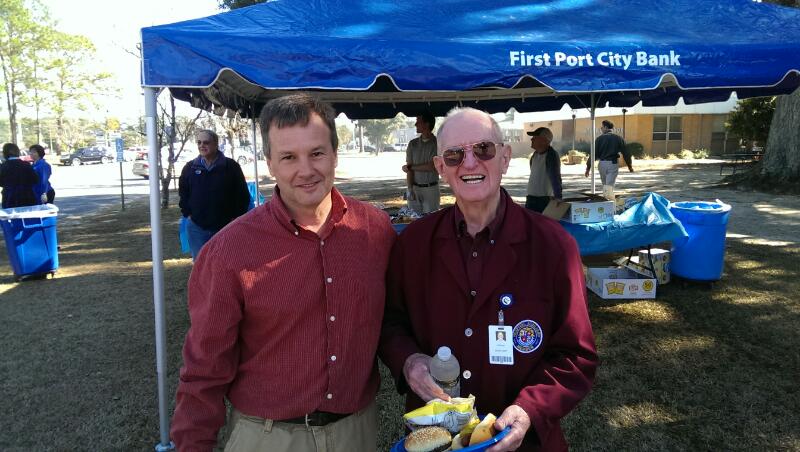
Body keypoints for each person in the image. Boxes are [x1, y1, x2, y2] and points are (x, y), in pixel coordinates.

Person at [170, 93, 396, 452]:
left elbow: (390, 321)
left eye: (317, 153)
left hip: (357, 431)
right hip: (268, 436)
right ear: (270, 163)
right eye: (289, 157)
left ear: (335, 154)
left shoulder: (376, 230)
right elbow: (204, 367)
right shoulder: (228, 251)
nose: (305, 170)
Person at [380, 108, 598, 452]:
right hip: (439, 440)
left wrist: (530, 409)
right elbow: (391, 322)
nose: (469, 164)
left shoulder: (553, 246)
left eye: (483, 149)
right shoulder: (414, 244)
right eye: (454, 155)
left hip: (525, 443)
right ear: (440, 168)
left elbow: (575, 354)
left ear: (505, 157)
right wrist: (408, 360)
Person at [178, 129, 250, 259]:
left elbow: (242, 194)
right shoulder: (190, 168)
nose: (202, 146)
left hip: (225, 227)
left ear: (216, 144)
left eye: (206, 142)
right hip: (197, 228)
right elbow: (183, 193)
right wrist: (187, 214)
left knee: (225, 263)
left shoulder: (231, 166)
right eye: (199, 143)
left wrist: (236, 218)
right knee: (201, 266)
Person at [402, 113, 440, 214]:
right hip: (414, 189)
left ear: (426, 124)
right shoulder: (412, 144)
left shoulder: (437, 143)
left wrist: (410, 167)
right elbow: (409, 169)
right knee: (413, 220)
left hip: (431, 189)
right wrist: (410, 189)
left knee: (431, 221)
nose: (415, 124)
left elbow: (432, 166)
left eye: (418, 122)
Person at [584, 120, 633, 196]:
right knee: (609, 186)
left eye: (602, 127)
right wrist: (629, 166)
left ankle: (606, 201)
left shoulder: (599, 139)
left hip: (602, 164)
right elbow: (626, 153)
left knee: (605, 186)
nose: (601, 129)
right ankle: (608, 202)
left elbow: (593, 154)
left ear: (606, 127)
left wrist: (588, 168)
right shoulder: (618, 138)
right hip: (612, 164)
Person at [524, 127, 562, 213]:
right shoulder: (535, 155)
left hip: (543, 200)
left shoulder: (551, 155)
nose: (532, 139)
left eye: (535, 137)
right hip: (531, 198)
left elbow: (555, 177)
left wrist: (558, 197)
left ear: (544, 140)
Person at [0, 143, 39, 209]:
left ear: (5, 153)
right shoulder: (26, 165)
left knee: (11, 218)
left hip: (10, 198)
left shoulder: (3, 166)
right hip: (27, 196)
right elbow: (35, 180)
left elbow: (1, 182)